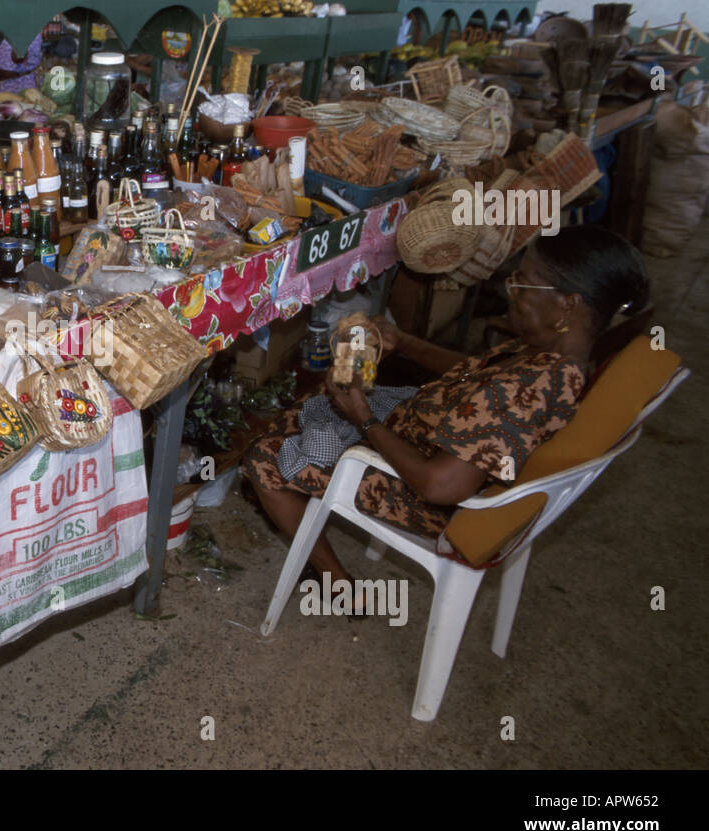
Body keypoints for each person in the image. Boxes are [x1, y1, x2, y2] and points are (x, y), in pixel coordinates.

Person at [241, 227, 651, 610]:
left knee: (265, 457)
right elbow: (475, 373)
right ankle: (298, 501)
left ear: (568, 305)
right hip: (425, 436)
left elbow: (440, 485)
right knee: (312, 405)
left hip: (432, 496)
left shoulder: (528, 390)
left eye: (523, 284)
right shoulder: (555, 358)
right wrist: (406, 343)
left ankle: (336, 582)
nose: (511, 293)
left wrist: (364, 419)